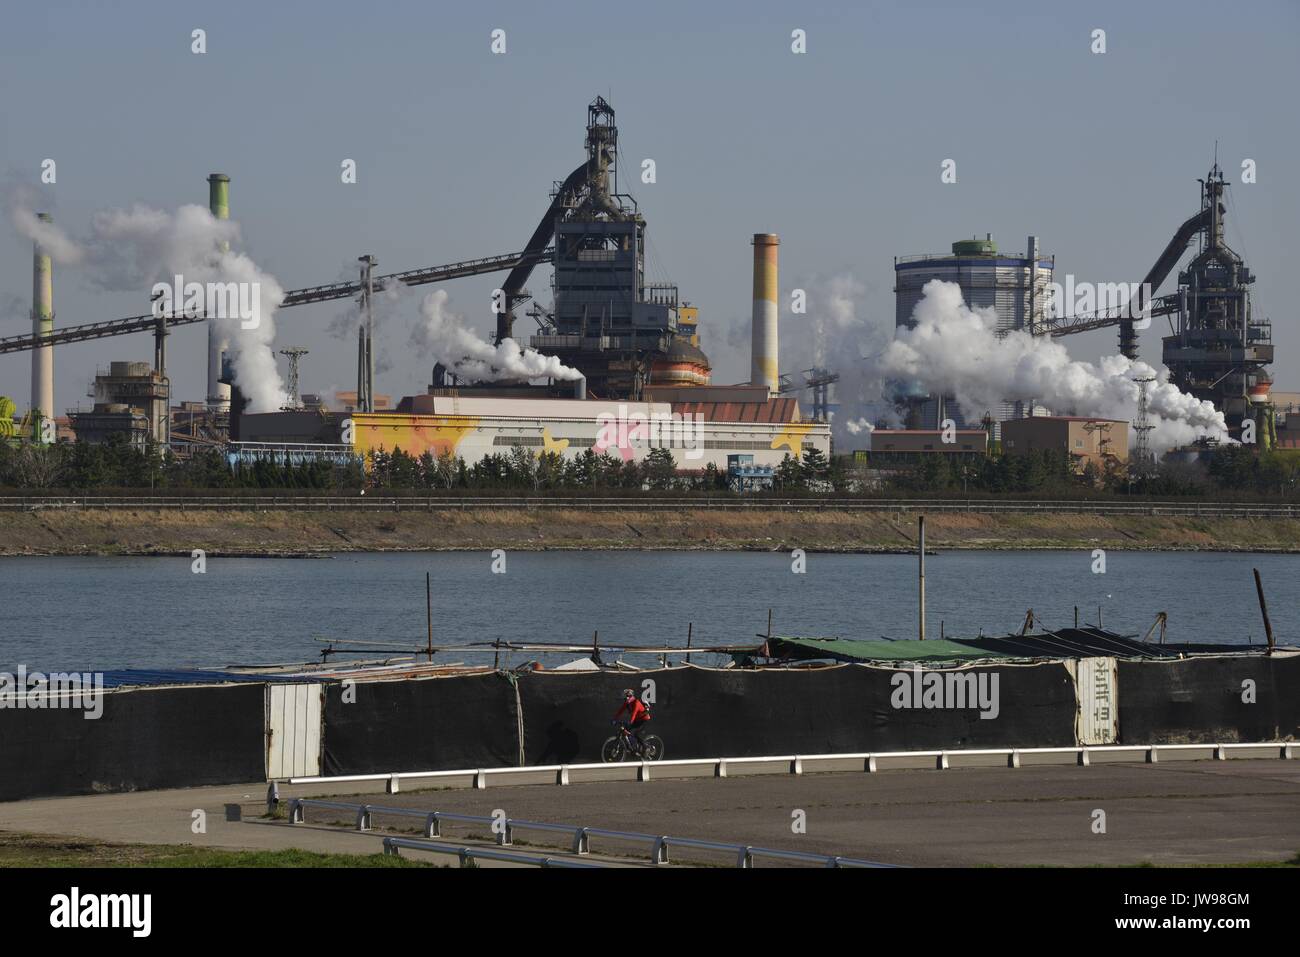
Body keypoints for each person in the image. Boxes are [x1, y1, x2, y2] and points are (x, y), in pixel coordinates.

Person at [612, 688, 651, 754]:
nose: (625, 699)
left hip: (643, 719)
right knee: (627, 730)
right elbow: (620, 711)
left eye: (626, 697)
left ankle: (645, 747)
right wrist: (614, 719)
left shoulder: (636, 702)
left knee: (636, 734)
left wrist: (630, 722)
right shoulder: (627, 703)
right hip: (637, 719)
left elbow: (634, 713)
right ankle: (632, 747)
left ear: (629, 697)